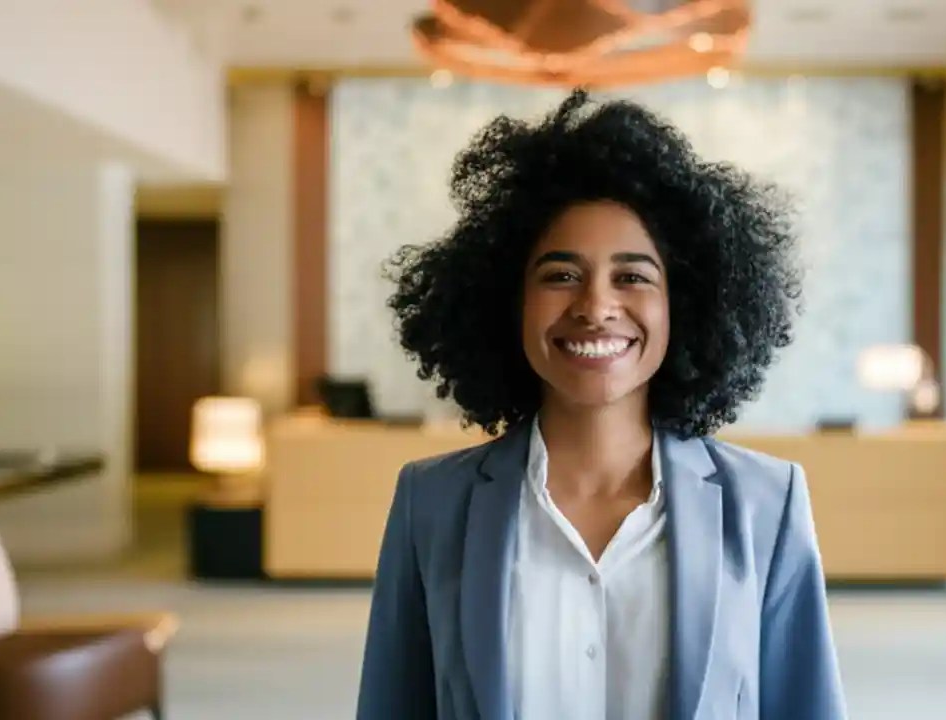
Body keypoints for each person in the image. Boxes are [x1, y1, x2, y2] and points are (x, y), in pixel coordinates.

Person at [357, 90, 845, 720]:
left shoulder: (767, 504)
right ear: (509, 302)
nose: (595, 306)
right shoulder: (431, 503)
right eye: (561, 275)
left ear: (683, 306)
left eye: (632, 276)